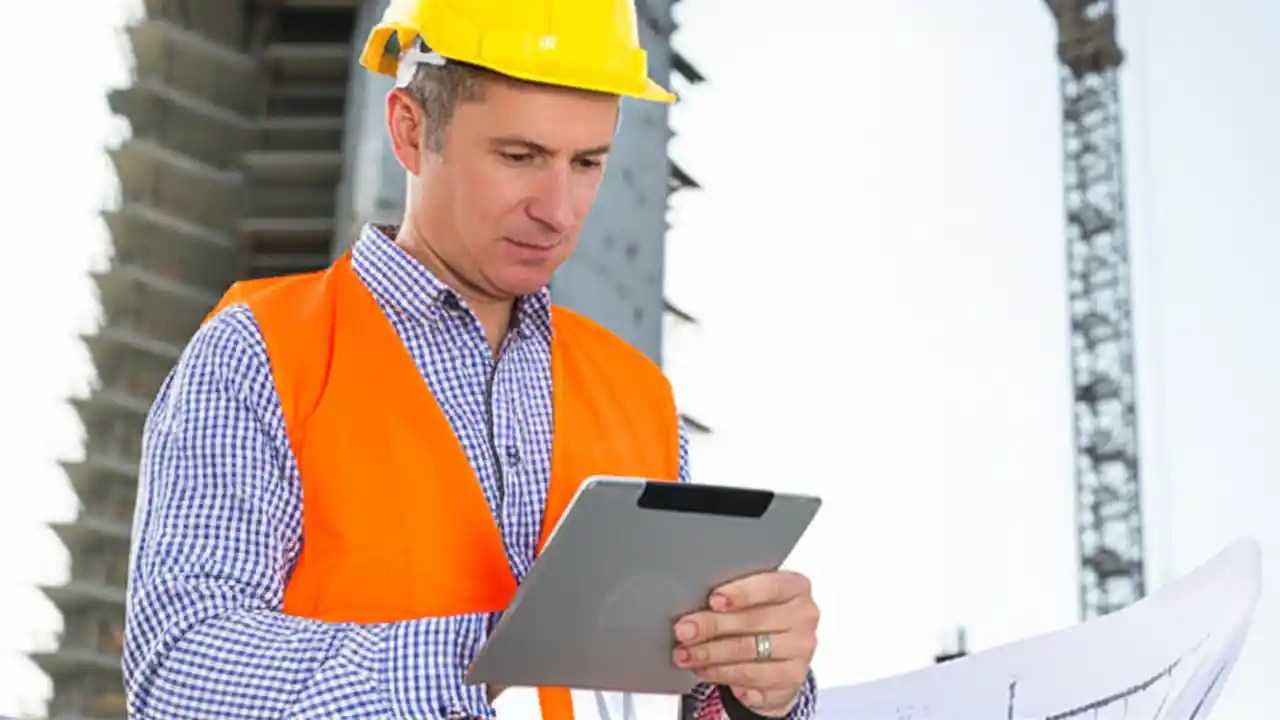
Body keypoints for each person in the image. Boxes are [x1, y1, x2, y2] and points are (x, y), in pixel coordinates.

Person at [122, 0, 821, 718]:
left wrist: (748, 686)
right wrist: (498, 660)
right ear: (410, 130)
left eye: (587, 163)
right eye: (520, 157)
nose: (558, 208)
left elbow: (667, 698)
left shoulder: (638, 396)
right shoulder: (260, 352)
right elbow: (181, 672)